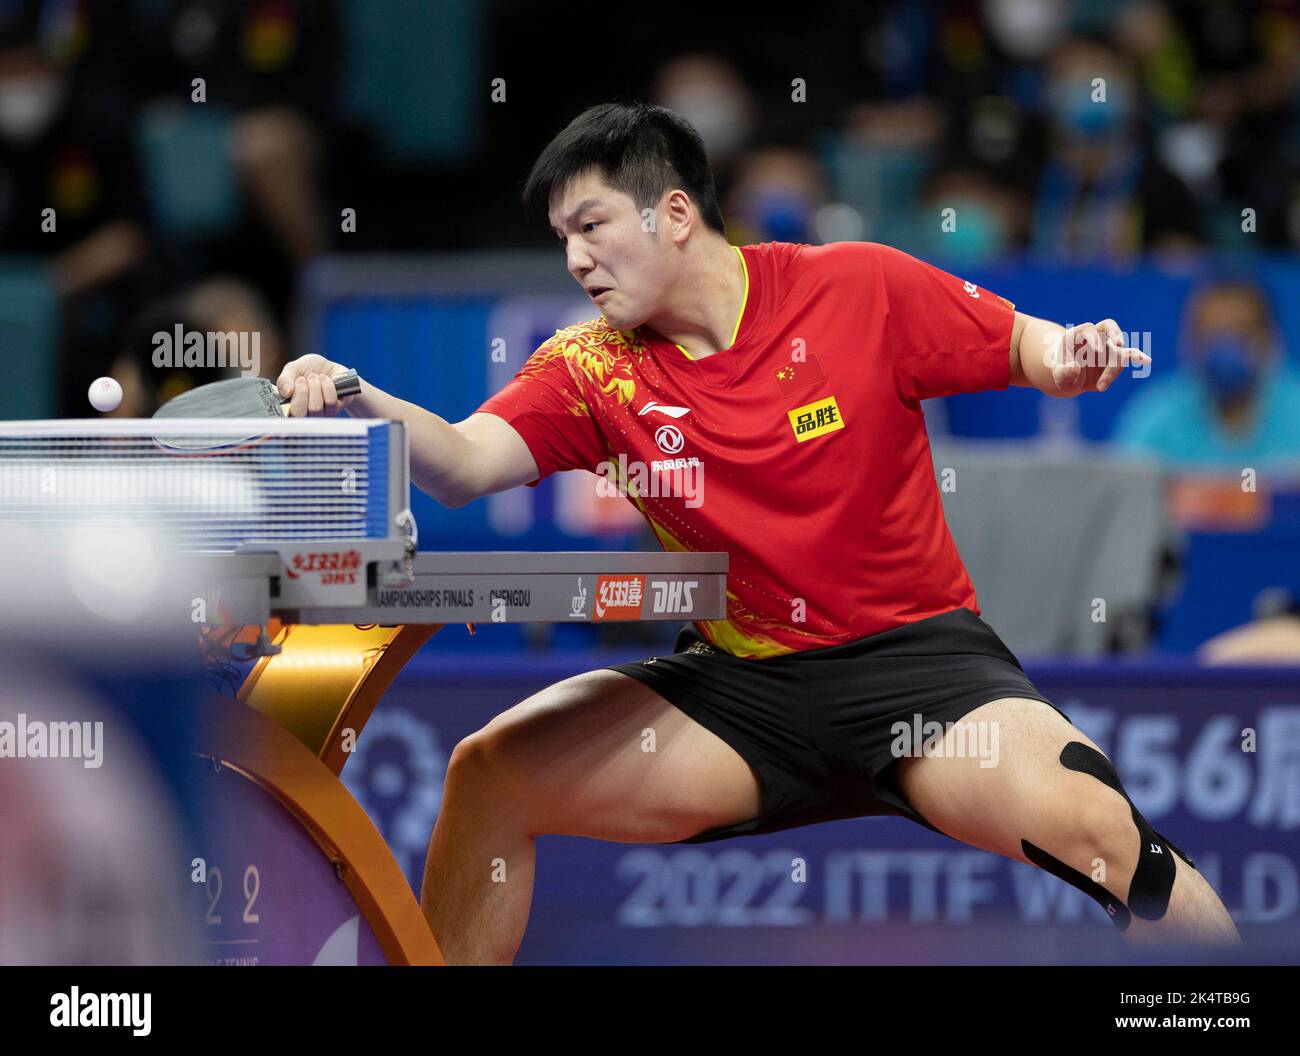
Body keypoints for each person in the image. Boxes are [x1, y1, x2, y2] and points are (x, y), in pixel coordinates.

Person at [277, 102, 1238, 964]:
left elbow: (1030, 345)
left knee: (1108, 835)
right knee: (489, 774)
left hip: (922, 671)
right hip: (741, 692)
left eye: (593, 225)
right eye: (562, 236)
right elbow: (463, 463)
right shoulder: (590, 369)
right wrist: (360, 397)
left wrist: (1071, 356)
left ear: (676, 214)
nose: (575, 259)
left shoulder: (857, 286)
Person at [1113, 278, 1300, 469]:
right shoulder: (1156, 419)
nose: (1226, 347)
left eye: (1241, 332)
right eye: (1212, 334)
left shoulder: (1295, 413)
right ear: (1188, 340)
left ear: (1270, 338)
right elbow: (1125, 490)